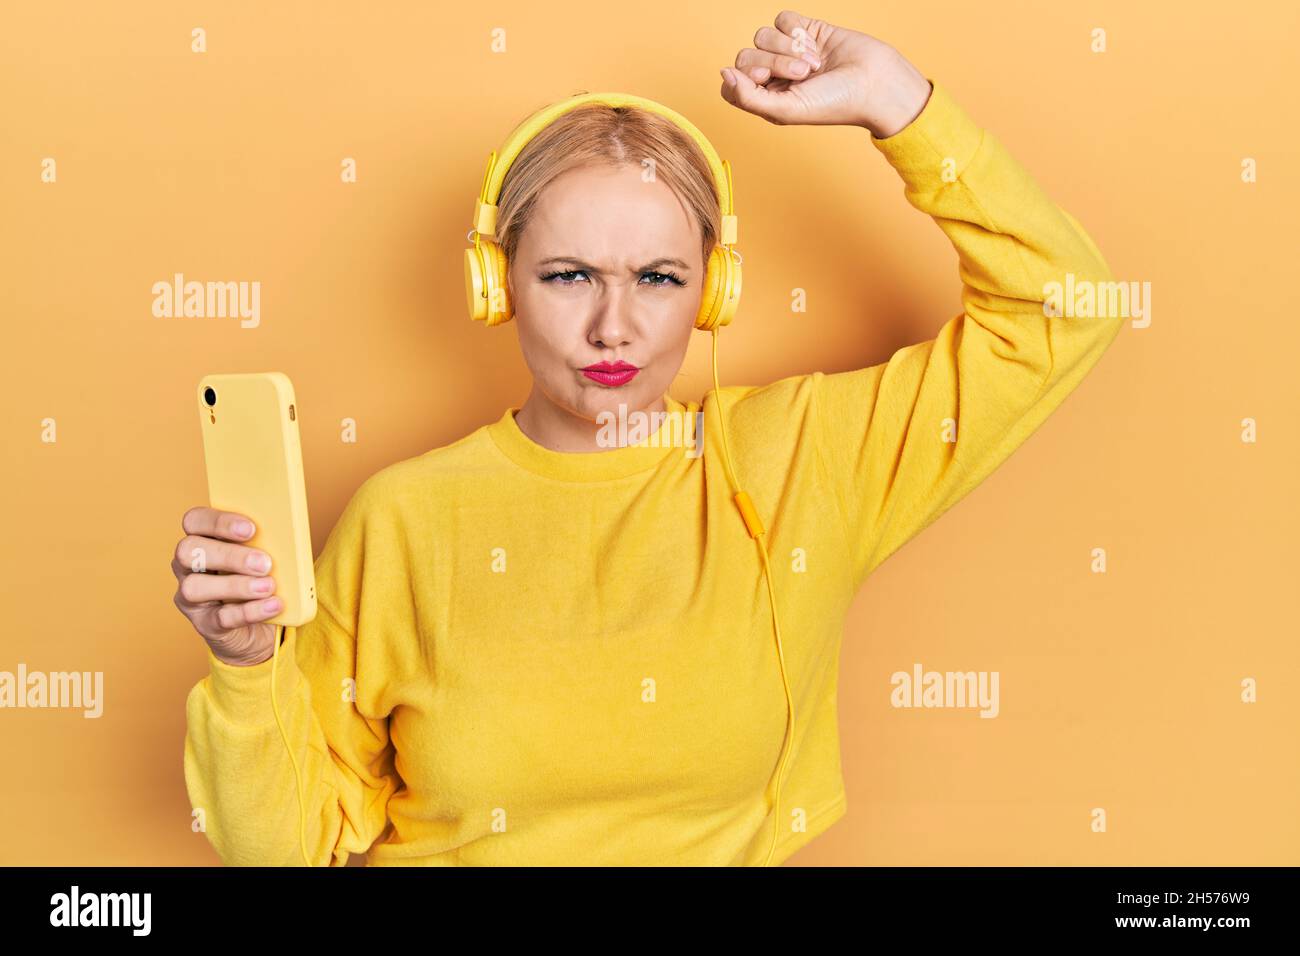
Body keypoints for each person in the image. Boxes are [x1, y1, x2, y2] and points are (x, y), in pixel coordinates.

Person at [175, 11, 1122, 866]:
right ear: (497, 286)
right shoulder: (403, 519)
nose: (614, 328)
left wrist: (900, 106)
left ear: (714, 293)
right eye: (570, 276)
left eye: (661, 278)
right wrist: (248, 667)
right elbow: (286, 849)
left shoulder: (803, 460)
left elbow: (1063, 313)